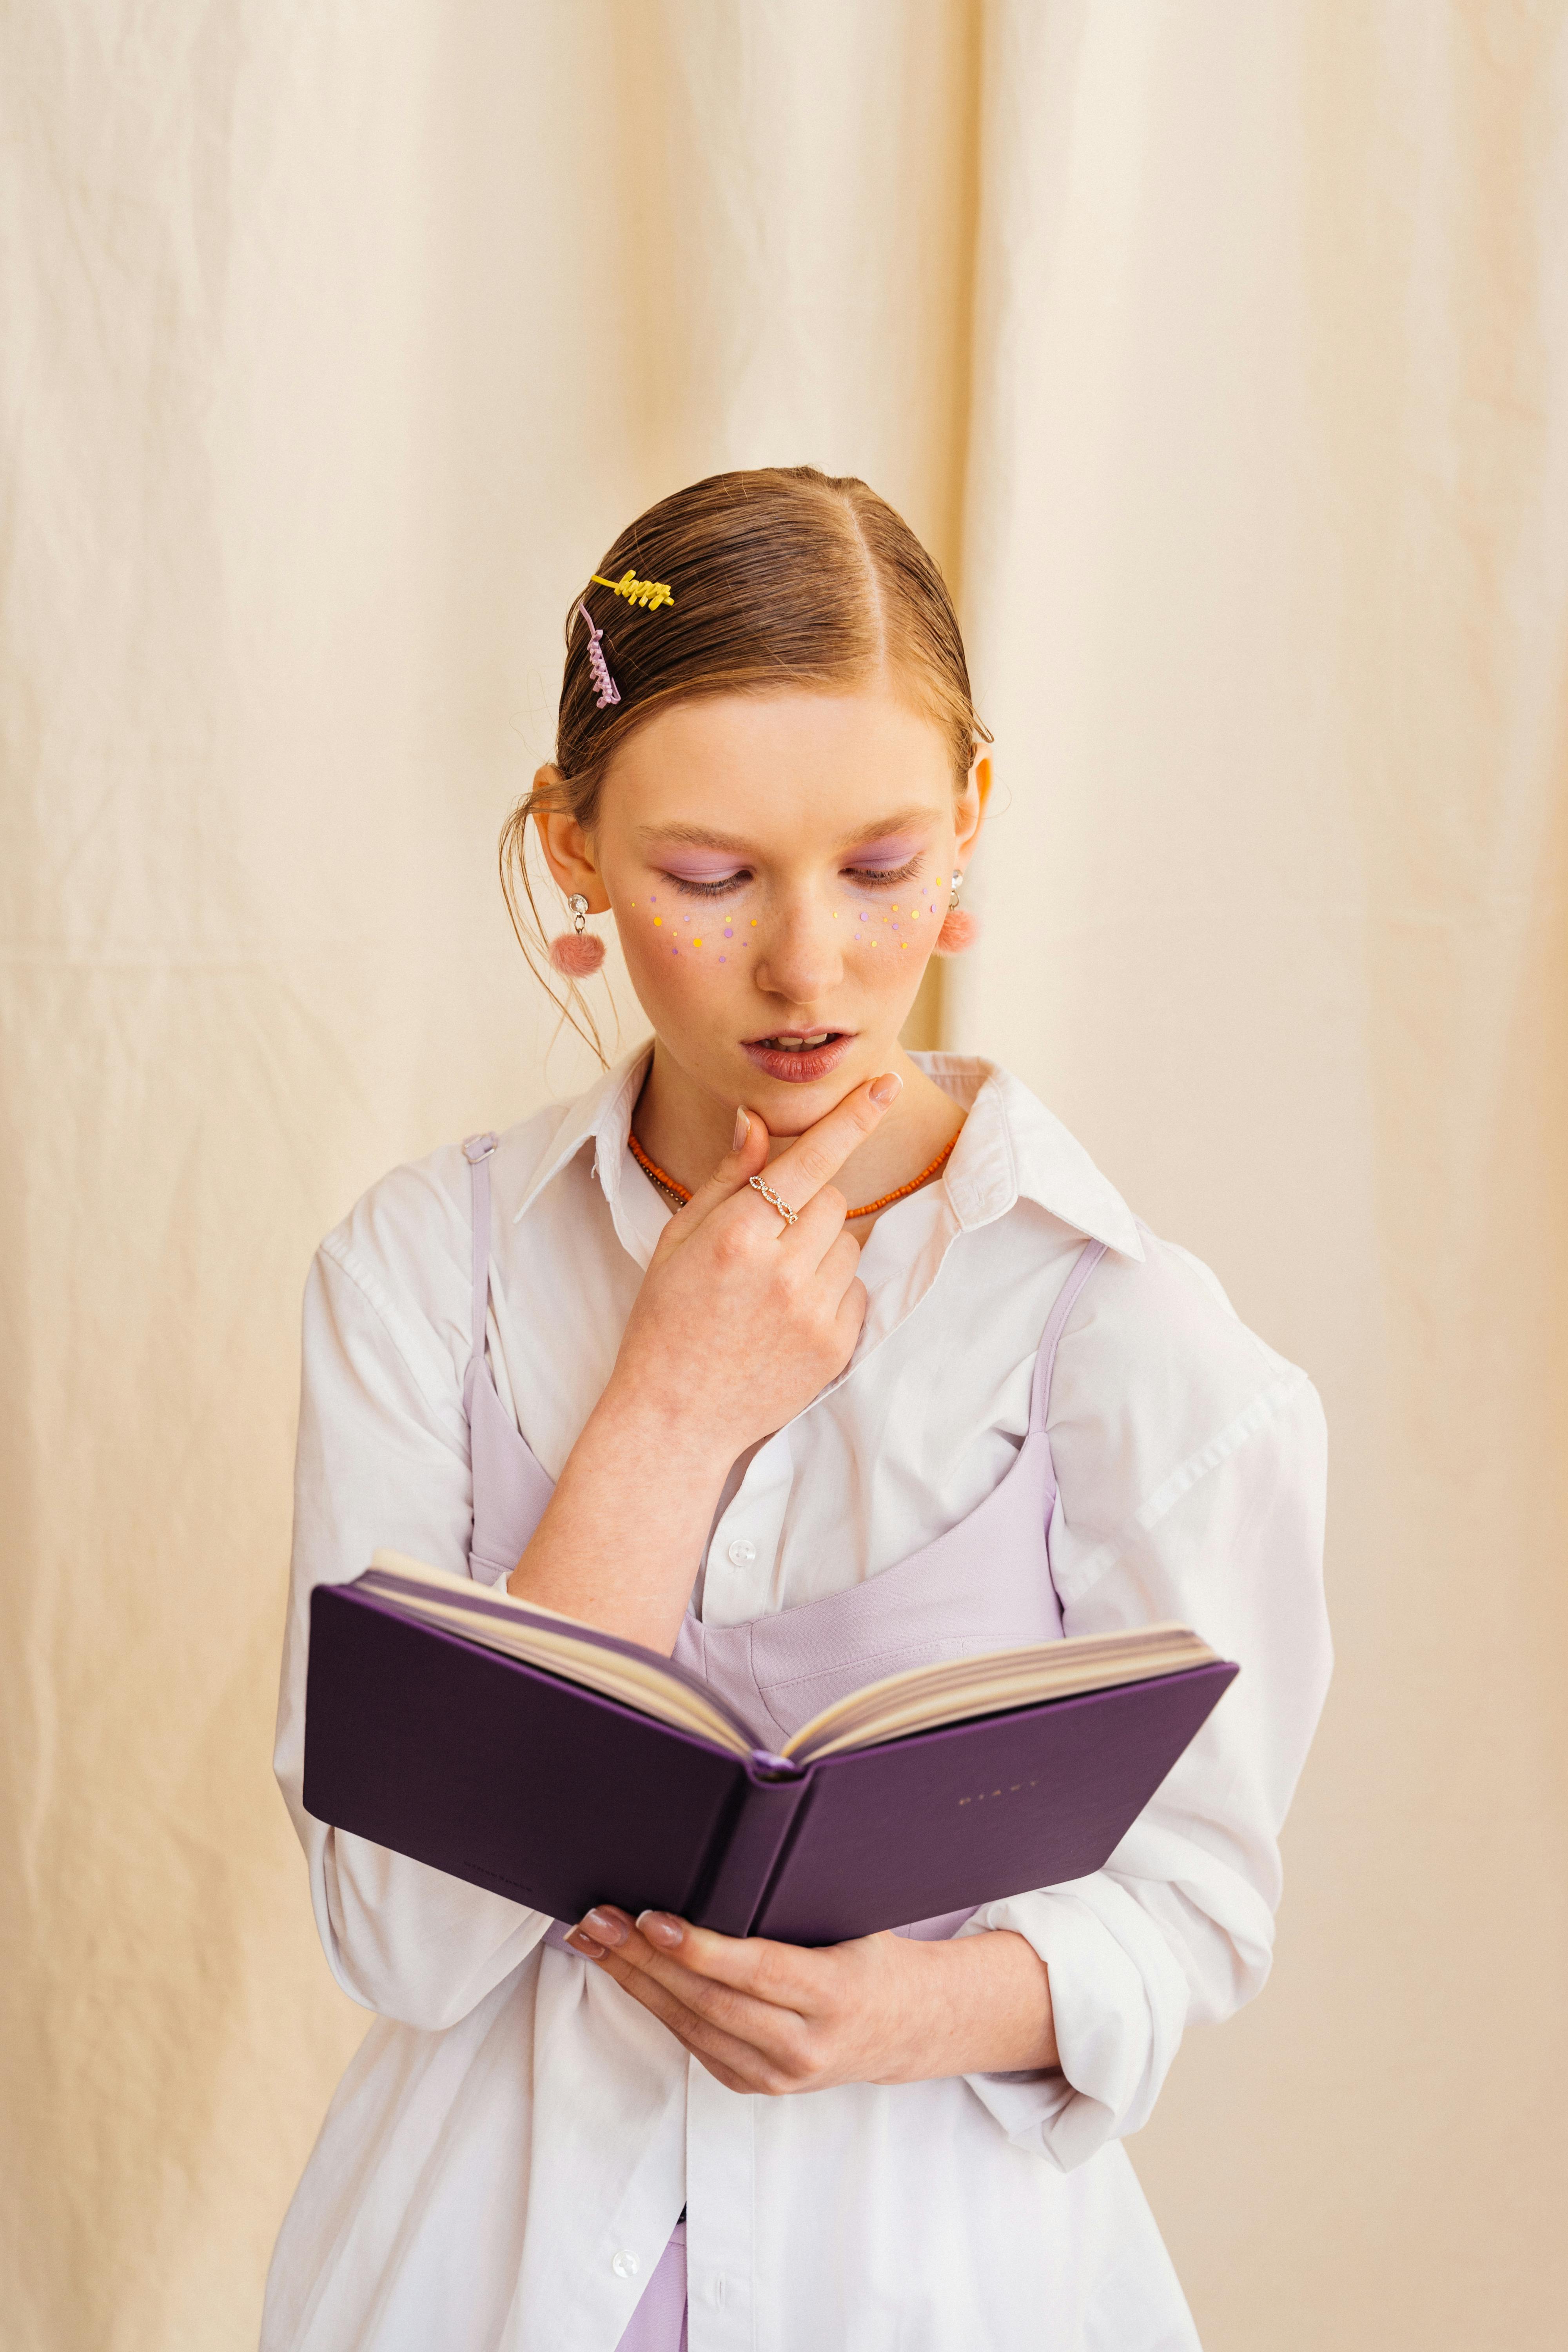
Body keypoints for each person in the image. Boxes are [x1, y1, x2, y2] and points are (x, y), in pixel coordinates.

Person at [263, 466, 1330, 2352]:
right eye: (708, 878)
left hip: (950, 2287)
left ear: (973, 817)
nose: (809, 965)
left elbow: (1199, 1906)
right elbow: (402, 1938)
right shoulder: (424, 1279)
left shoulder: (1123, 1331)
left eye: (883, 865)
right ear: (574, 847)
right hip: (472, 2283)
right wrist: (668, 1413)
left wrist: (902, 2016)